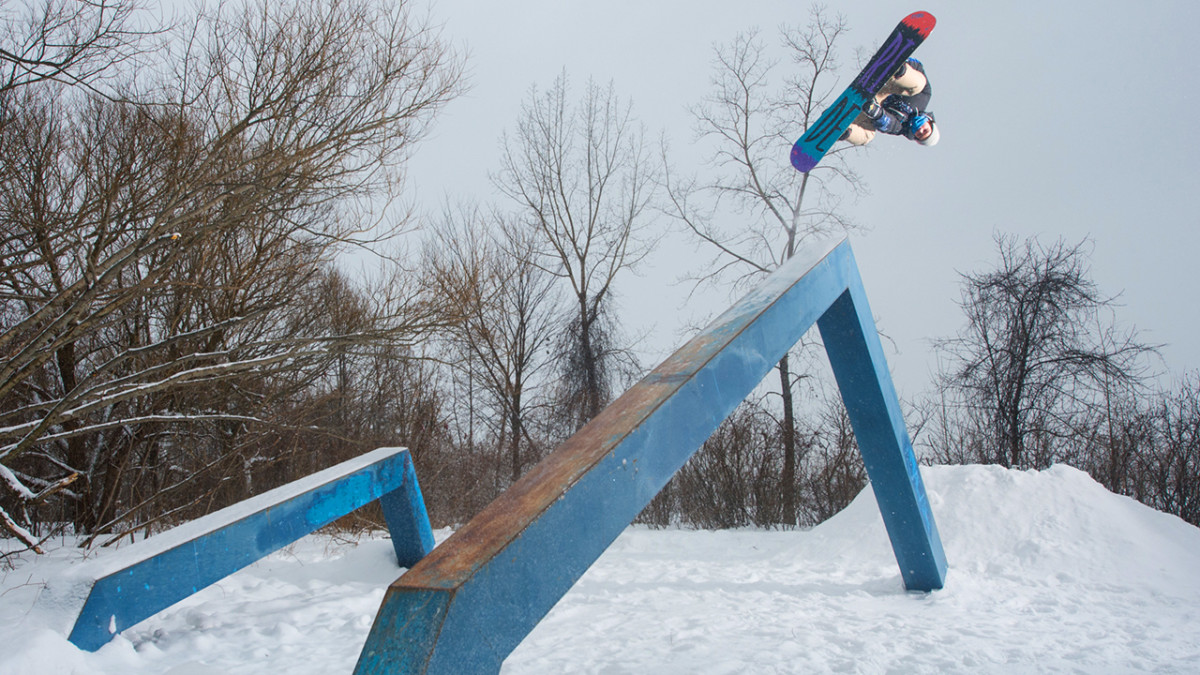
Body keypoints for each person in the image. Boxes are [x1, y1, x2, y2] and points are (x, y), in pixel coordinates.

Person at [842, 57, 939, 147]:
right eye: (925, 130)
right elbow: (919, 68)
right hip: (887, 82)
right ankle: (898, 68)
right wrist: (906, 60)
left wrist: (877, 114)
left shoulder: (901, 128)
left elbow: (889, 124)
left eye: (919, 134)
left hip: (871, 102)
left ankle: (842, 129)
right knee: (920, 84)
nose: (920, 129)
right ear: (930, 122)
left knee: (868, 136)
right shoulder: (924, 96)